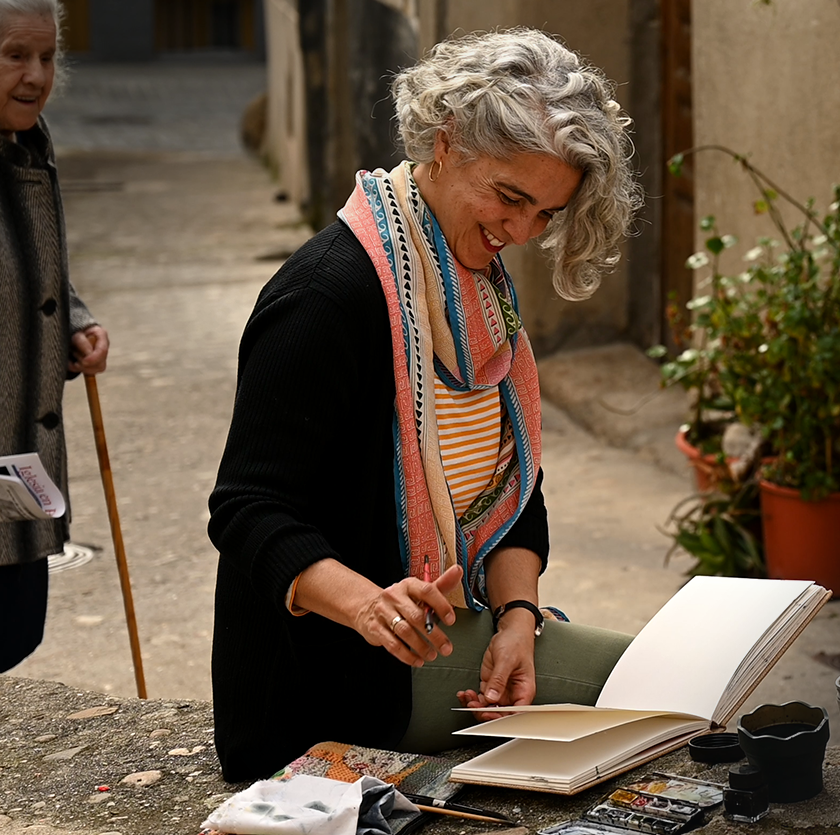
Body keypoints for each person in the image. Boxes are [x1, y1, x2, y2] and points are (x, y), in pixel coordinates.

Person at [209, 27, 642, 782]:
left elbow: (515, 491)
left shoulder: (472, 282)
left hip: (446, 634)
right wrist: (372, 605)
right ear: (446, 141)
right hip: (336, 679)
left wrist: (517, 620)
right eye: (510, 198)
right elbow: (247, 508)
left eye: (546, 214)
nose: (521, 231)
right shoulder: (325, 295)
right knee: (655, 690)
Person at [0, 0, 109, 673]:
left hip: (20, 461)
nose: (36, 75)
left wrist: (73, 320)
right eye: (15, 55)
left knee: (14, 632)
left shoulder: (28, 143)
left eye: (46, 56)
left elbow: (33, 267)